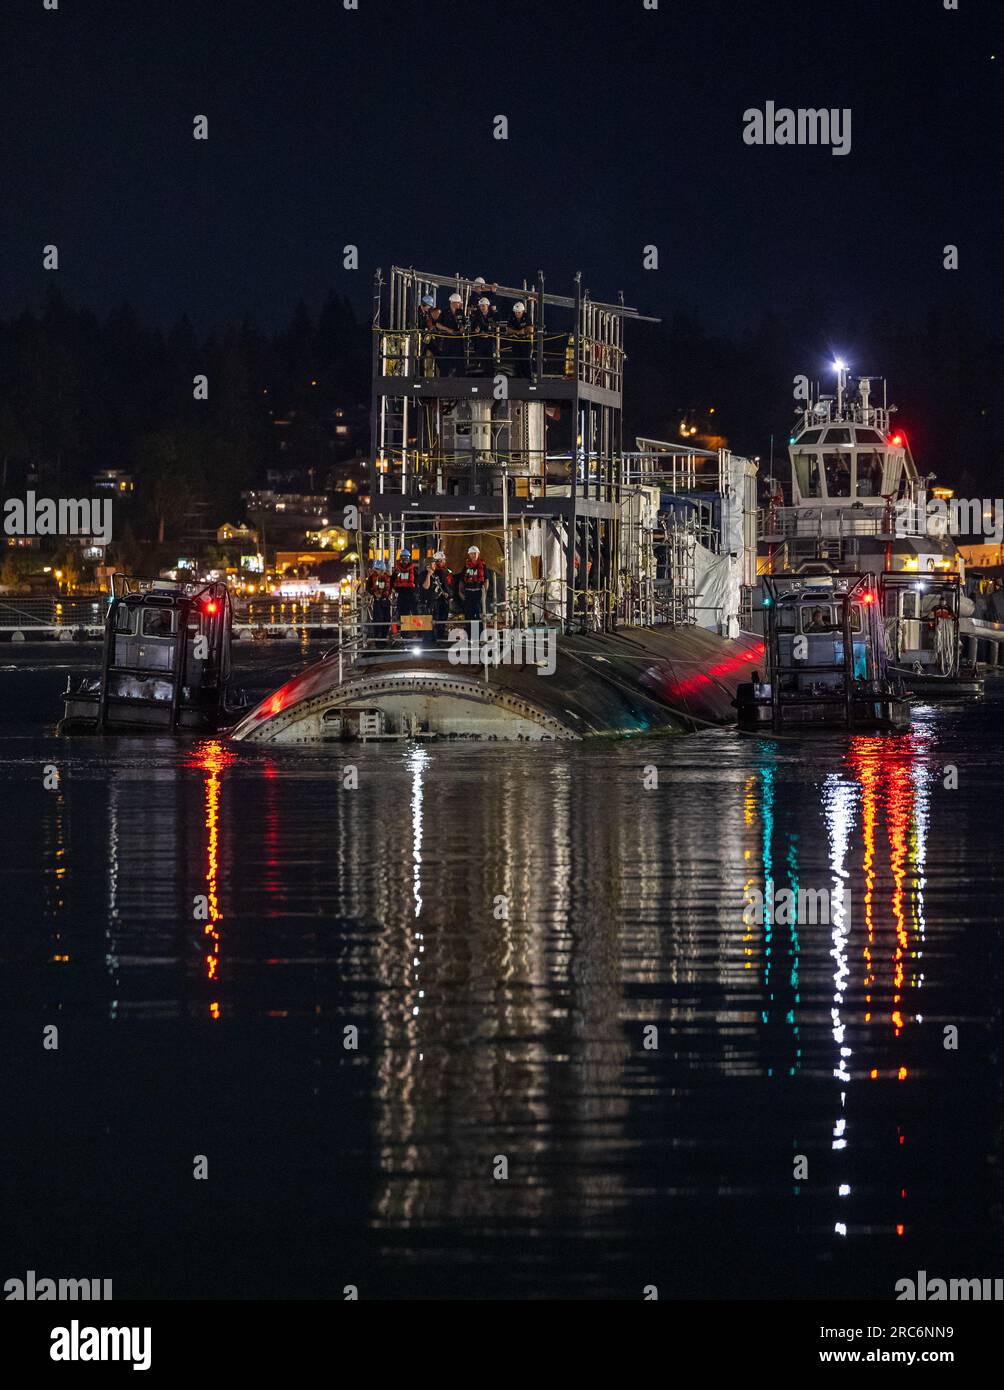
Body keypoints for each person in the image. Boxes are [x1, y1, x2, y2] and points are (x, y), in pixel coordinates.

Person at [421, 550, 454, 641]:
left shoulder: (445, 571)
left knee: (441, 618)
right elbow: (441, 585)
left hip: (442, 598)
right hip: (436, 599)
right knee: (437, 619)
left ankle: (438, 636)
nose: (444, 562)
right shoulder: (434, 573)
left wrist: (449, 595)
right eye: (442, 560)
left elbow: (447, 585)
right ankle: (435, 637)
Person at [438, 292, 468, 376]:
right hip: (448, 339)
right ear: (452, 302)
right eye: (456, 303)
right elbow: (438, 324)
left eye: (459, 303)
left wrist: (463, 328)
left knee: (460, 360)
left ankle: (460, 378)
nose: (458, 305)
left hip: (458, 339)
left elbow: (464, 324)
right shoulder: (445, 312)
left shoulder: (461, 312)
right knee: (445, 360)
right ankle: (444, 378)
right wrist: (448, 330)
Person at [469, 297, 498, 375]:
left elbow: (495, 325)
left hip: (490, 341)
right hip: (480, 341)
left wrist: (490, 333)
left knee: (490, 359)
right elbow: (473, 327)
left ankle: (491, 375)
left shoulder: (493, 314)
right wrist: (475, 331)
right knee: (481, 358)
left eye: (483, 306)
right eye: (481, 306)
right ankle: (482, 376)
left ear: (487, 306)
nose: (482, 307)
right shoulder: (477, 315)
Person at [392, 549, 419, 635]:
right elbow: (392, 581)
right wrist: (394, 590)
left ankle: (418, 632)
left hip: (411, 595)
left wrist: (417, 593)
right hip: (401, 595)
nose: (404, 561)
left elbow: (417, 582)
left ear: (409, 559)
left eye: (406, 558)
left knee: (415, 613)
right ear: (400, 559)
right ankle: (405, 635)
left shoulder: (413, 570)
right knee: (403, 615)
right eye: (403, 559)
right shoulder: (396, 571)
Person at [365, 560, 393, 642]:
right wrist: (374, 594)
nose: (376, 571)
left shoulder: (388, 577)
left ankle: (383, 638)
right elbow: (368, 588)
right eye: (376, 569)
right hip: (377, 602)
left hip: (386, 601)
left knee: (387, 619)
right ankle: (378, 640)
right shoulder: (372, 578)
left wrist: (388, 594)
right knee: (378, 620)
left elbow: (391, 587)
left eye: (378, 569)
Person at [459, 545, 487, 626]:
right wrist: (460, 592)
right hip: (468, 593)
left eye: (475, 553)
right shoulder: (466, 566)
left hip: (478, 593)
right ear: (469, 555)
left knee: (478, 614)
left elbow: (486, 580)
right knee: (468, 614)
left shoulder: (483, 566)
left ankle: (478, 635)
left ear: (478, 554)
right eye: (471, 554)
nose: (473, 555)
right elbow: (462, 580)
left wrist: (484, 593)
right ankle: (469, 635)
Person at [507, 301, 533, 379]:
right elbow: (508, 330)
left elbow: (530, 329)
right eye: (516, 312)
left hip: (525, 341)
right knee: (516, 360)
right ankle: (519, 379)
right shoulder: (511, 317)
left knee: (526, 360)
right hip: (516, 341)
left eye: (519, 312)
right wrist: (518, 332)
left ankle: (528, 378)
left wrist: (520, 331)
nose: (517, 314)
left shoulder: (527, 316)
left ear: (522, 311)